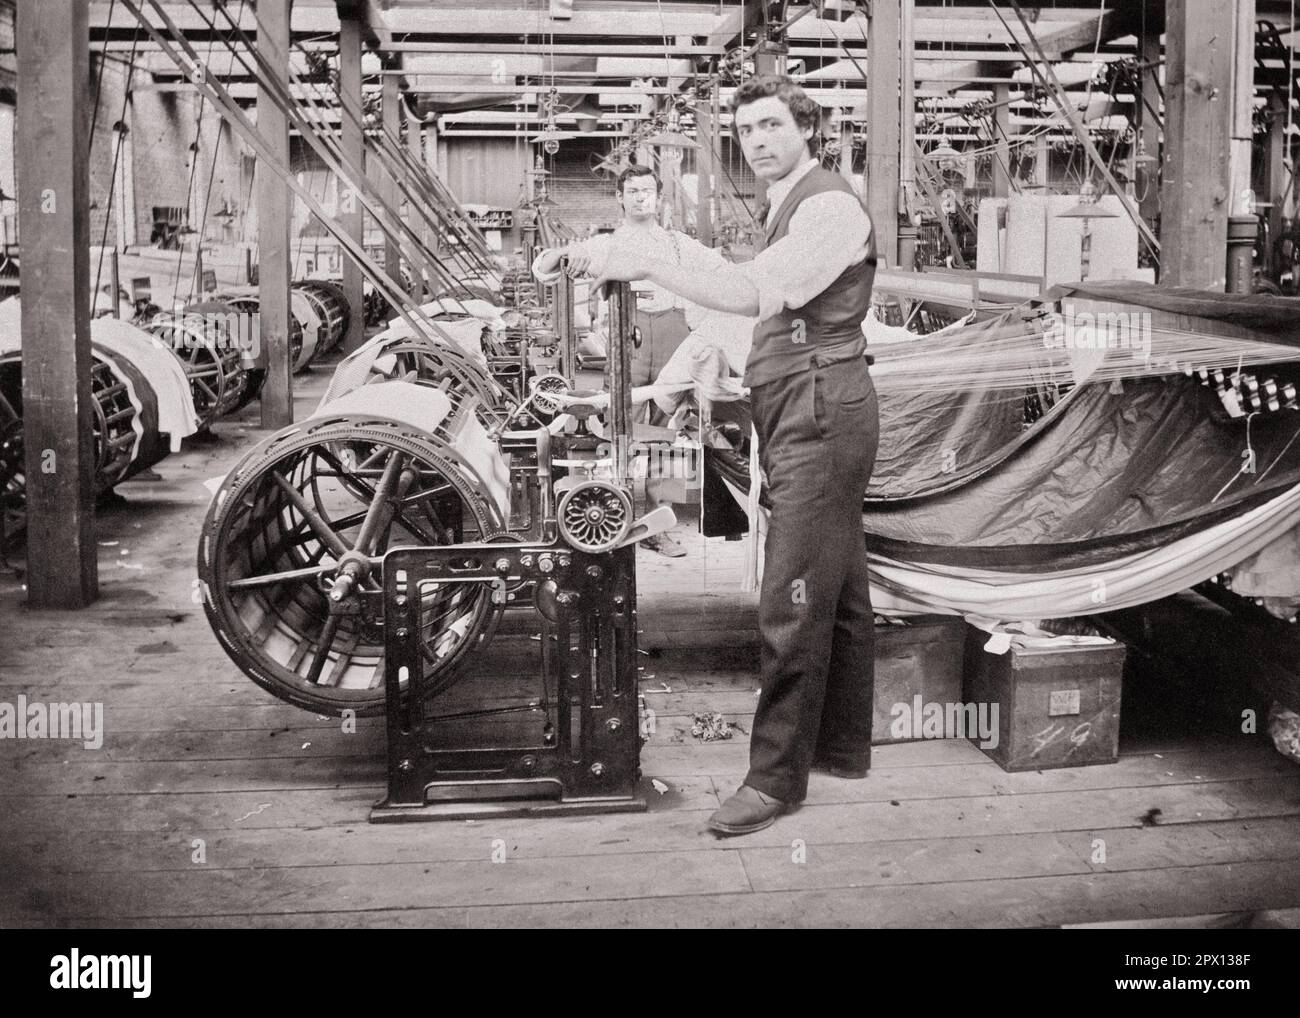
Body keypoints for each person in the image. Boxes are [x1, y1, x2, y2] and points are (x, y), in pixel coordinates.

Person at [590, 74, 879, 836]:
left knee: (786, 597)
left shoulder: (826, 207)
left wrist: (647, 266)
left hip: (820, 408)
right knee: (839, 587)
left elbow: (753, 295)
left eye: (772, 125)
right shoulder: (789, 204)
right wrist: (627, 261)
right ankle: (841, 748)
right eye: (746, 130)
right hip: (804, 404)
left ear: (806, 128)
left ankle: (775, 781)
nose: (757, 141)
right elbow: (737, 285)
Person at [533, 164, 731, 557]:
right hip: (629, 336)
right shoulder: (607, 243)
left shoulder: (678, 244)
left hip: (674, 334)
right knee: (621, 426)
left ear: (659, 198)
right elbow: (545, 270)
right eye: (633, 191)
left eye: (648, 191)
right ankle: (612, 515)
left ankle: (659, 522)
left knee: (670, 434)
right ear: (620, 198)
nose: (642, 197)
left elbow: (723, 272)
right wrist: (560, 255)